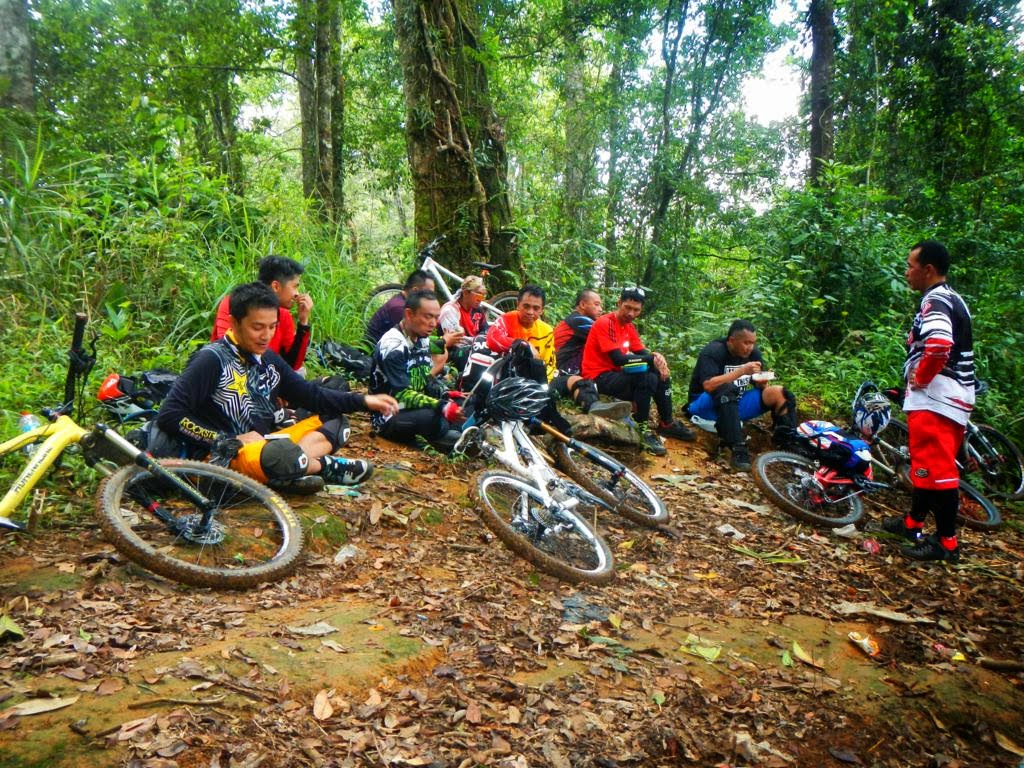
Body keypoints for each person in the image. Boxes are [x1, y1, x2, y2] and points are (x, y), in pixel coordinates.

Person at [158, 282, 399, 492]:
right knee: (276, 454)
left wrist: (364, 401)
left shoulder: (267, 358)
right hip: (227, 456)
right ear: (235, 322)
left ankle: (293, 467)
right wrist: (227, 439)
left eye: (272, 326)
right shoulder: (211, 359)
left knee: (335, 421)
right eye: (257, 327)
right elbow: (170, 414)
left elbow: (311, 395)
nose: (266, 335)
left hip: (266, 443)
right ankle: (318, 467)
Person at [882, 240, 974, 562]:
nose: (906, 272)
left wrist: (919, 380)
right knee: (925, 468)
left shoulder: (934, 300)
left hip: (937, 399)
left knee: (938, 471)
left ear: (928, 270)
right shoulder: (951, 298)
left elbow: (938, 345)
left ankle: (947, 543)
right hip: (943, 398)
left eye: (910, 266)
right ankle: (913, 524)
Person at [581, 287, 695, 455]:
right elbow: (618, 359)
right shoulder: (606, 323)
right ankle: (641, 429)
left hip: (617, 375)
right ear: (619, 303)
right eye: (627, 307)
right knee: (647, 377)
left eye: (636, 310)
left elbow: (641, 352)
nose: (631, 313)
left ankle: (667, 423)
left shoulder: (629, 328)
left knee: (658, 372)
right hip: (598, 377)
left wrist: (657, 358)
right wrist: (651, 359)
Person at [686, 319, 797, 471]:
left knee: (781, 393)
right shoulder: (713, 351)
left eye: (752, 343)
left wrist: (762, 380)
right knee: (727, 388)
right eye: (746, 343)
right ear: (732, 340)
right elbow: (708, 385)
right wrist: (741, 371)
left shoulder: (753, 354)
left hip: (735, 405)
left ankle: (788, 443)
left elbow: (760, 385)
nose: (750, 348)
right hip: (704, 405)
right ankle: (738, 450)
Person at [369, 290, 463, 451]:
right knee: (433, 416)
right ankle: (448, 440)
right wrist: (442, 405)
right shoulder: (393, 347)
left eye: (436, 317)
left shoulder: (421, 338)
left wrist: (446, 394)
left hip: (412, 405)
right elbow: (402, 394)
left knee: (461, 401)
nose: (434, 324)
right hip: (389, 414)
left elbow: (438, 346)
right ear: (409, 314)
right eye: (428, 316)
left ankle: (455, 436)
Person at [484, 285, 572, 434]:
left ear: (542, 310)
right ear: (518, 304)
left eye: (536, 308)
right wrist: (522, 343)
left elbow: (550, 364)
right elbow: (492, 340)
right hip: (505, 376)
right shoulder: (507, 319)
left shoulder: (546, 330)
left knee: (539, 367)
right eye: (526, 306)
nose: (530, 312)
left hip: (535, 380)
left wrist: (540, 386)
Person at [212, 256, 313, 372]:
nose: (297, 294)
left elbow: (292, 365)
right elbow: (226, 350)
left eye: (272, 326)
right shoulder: (233, 303)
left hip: (266, 375)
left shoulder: (284, 315)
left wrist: (303, 323)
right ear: (276, 286)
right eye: (295, 286)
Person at [552, 289, 631, 419]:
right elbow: (610, 340)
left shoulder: (576, 320)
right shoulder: (579, 320)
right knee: (601, 347)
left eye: (600, 305)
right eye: (596, 304)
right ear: (583, 305)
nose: (600, 309)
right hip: (564, 366)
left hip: (566, 362)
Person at [364, 269, 434, 348]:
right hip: (375, 354)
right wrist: (443, 342)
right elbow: (417, 343)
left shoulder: (404, 302)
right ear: (415, 291)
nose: (431, 298)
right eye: (428, 293)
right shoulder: (400, 308)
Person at [438, 275, 488, 370]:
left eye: (483, 296)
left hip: (473, 347)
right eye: (478, 295)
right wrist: (479, 342)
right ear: (465, 293)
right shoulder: (450, 310)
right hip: (454, 352)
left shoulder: (477, 310)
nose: (480, 299)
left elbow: (485, 329)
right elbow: (456, 341)